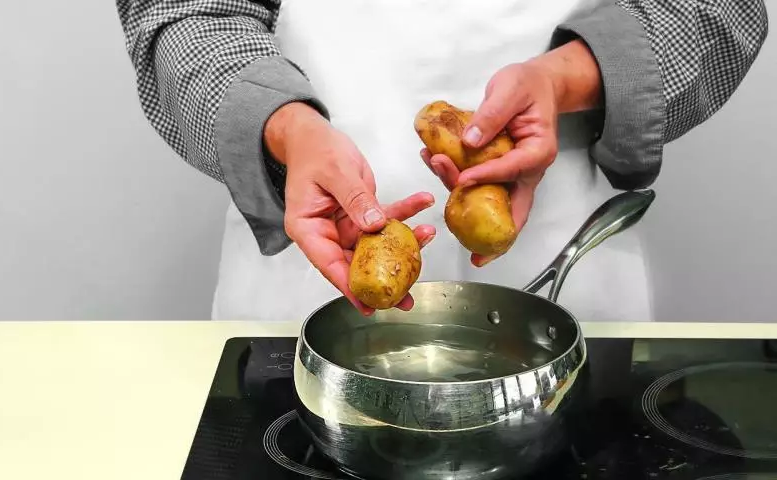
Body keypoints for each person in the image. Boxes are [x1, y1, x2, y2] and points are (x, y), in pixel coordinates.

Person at [115, 0, 768, 323]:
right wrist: (285, 128)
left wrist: (569, 77)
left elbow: (716, 9)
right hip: (300, 287)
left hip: (568, 284)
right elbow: (186, 12)